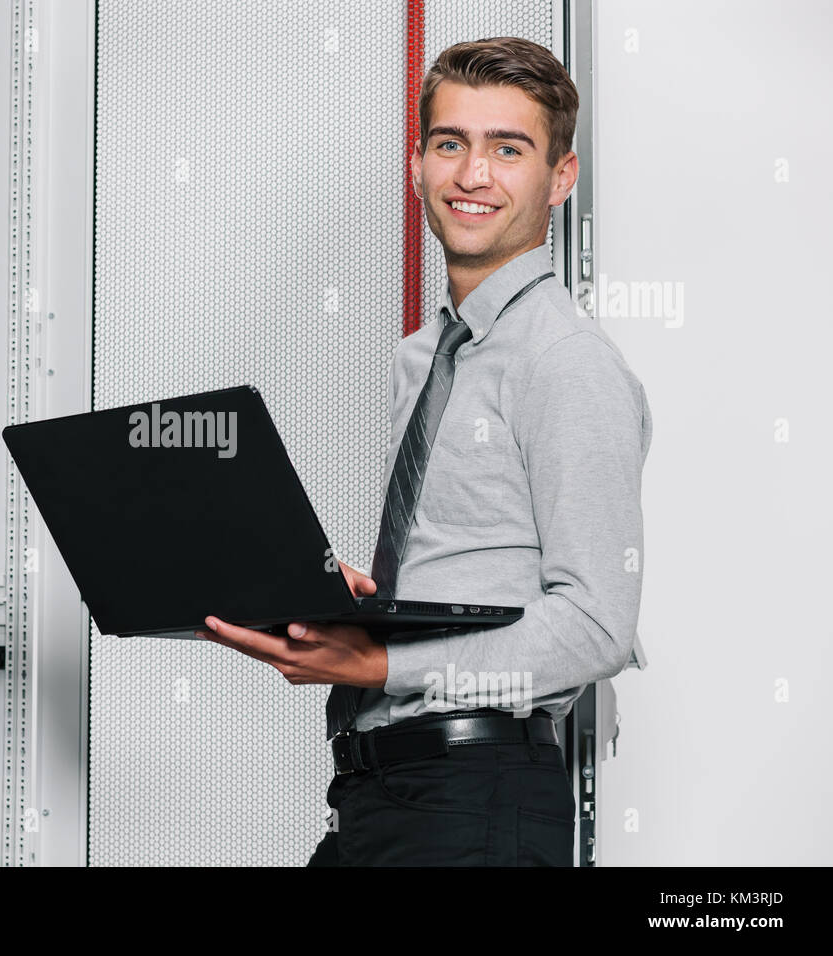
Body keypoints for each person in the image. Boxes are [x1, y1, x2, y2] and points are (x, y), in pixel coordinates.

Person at [194, 36, 653, 866]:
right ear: (418, 165)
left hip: (477, 795)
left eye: (507, 149)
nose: (472, 175)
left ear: (560, 178)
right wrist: (367, 609)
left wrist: (374, 661)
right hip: (381, 793)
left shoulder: (566, 361)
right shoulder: (426, 354)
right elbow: (470, 559)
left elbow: (595, 629)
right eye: (452, 144)